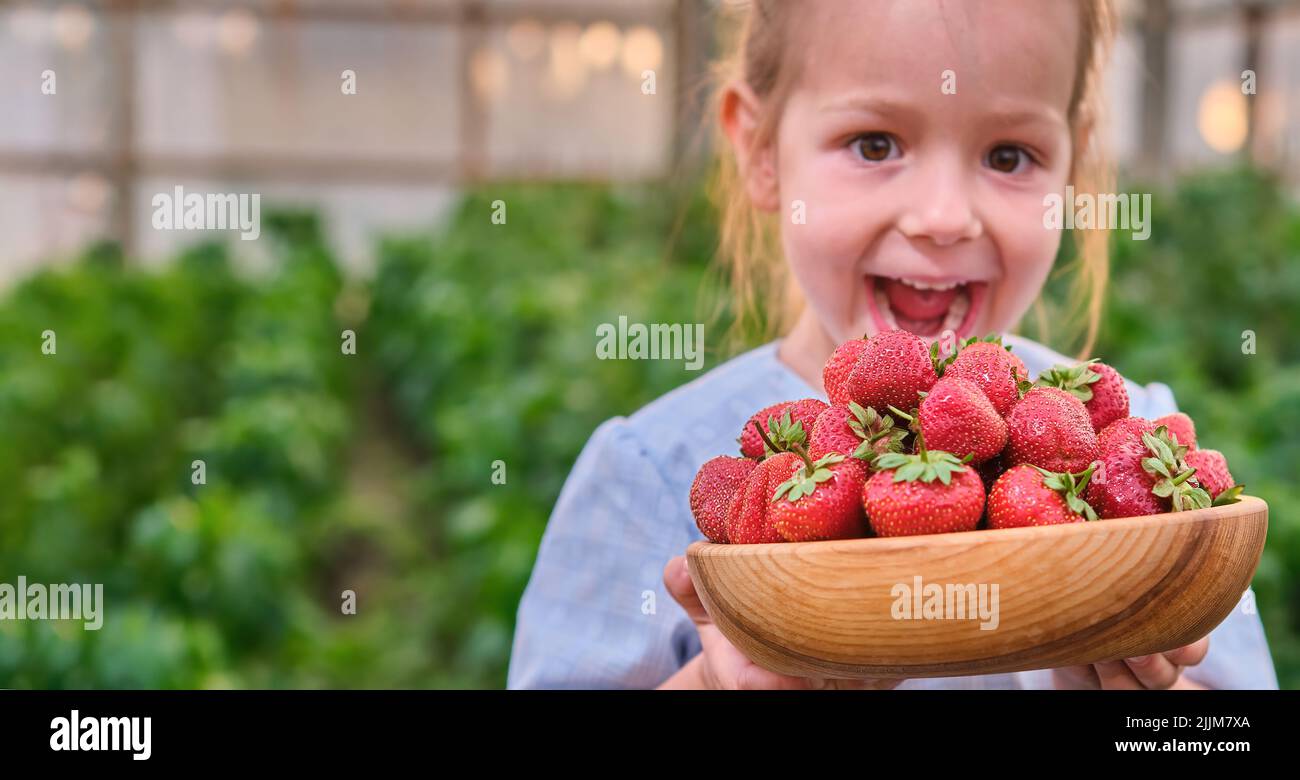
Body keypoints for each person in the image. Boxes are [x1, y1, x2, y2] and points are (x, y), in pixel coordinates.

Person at [507, 0, 1278, 690]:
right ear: (763, 150)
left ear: (1073, 163)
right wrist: (714, 683)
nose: (943, 216)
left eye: (1009, 156)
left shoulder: (1129, 454)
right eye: (874, 144)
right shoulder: (650, 473)